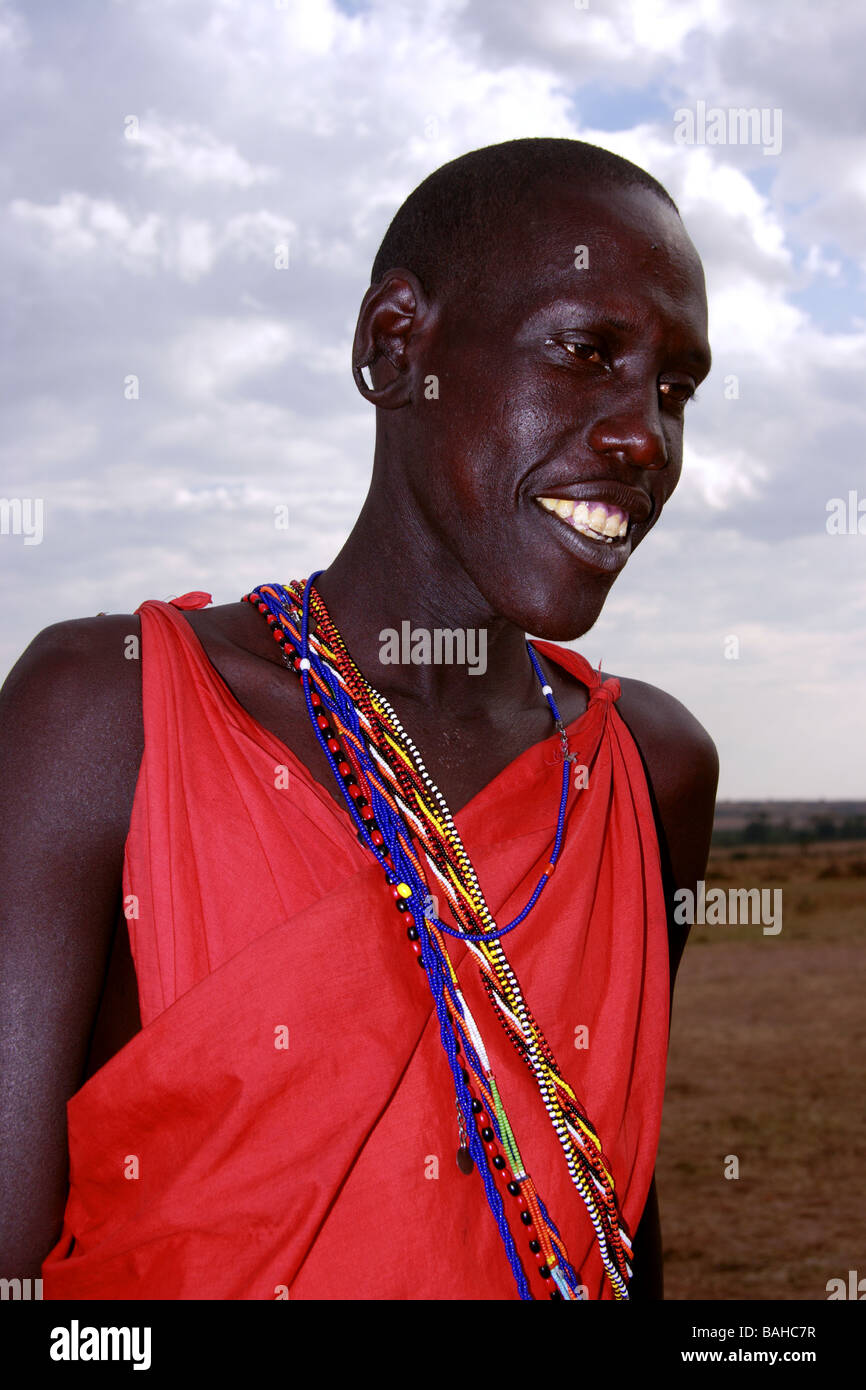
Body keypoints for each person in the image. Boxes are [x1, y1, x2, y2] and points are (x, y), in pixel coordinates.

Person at [0, 137, 717, 1301]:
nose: (645, 437)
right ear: (396, 347)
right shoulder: (111, 715)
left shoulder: (647, 771)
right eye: (587, 353)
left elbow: (594, 1201)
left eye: (673, 390)